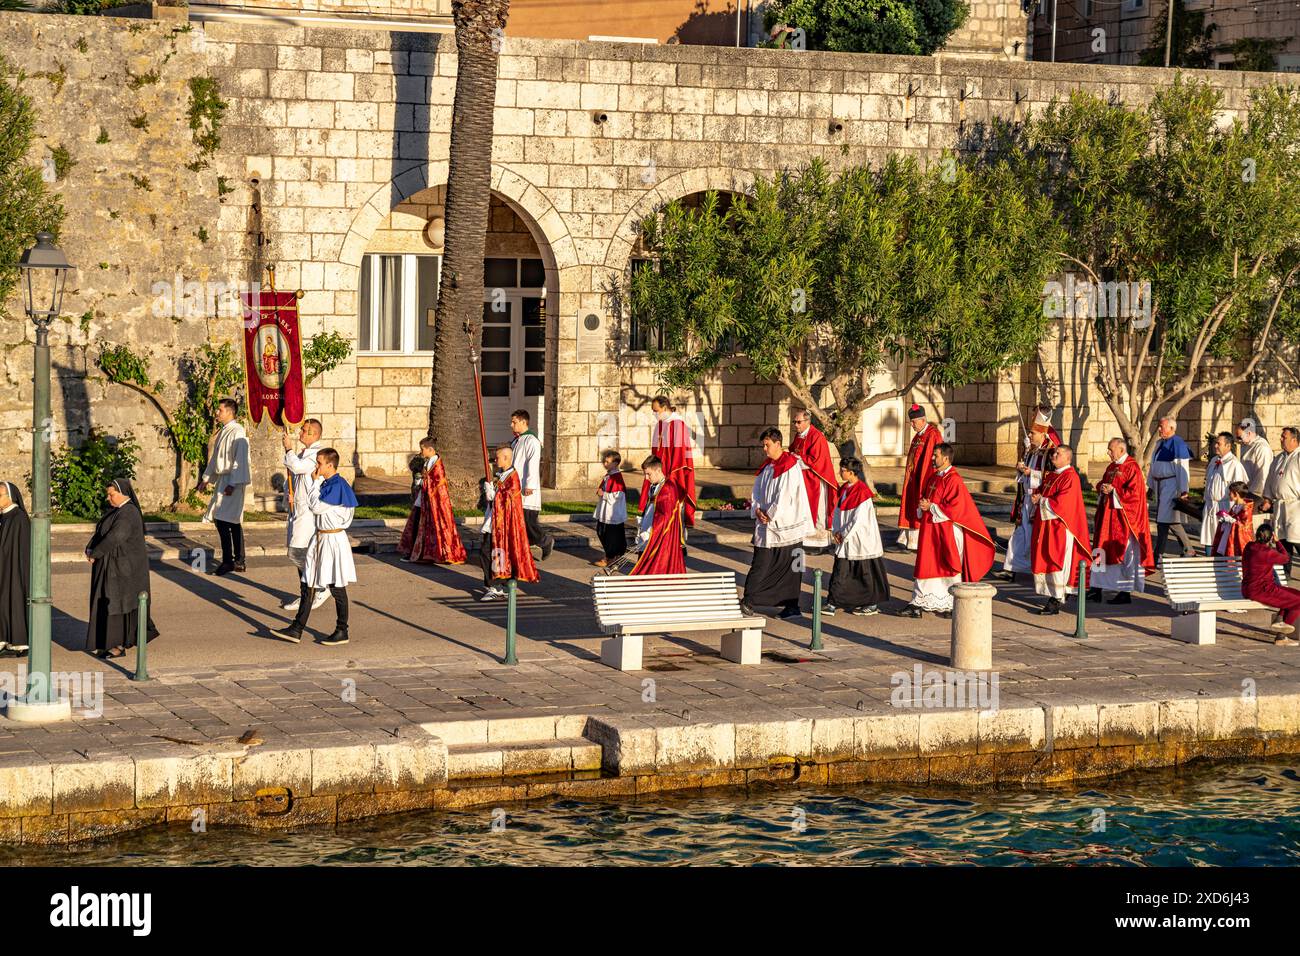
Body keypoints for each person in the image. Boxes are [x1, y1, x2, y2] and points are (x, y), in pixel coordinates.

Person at [272, 448, 356, 645]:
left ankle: (342, 630)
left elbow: (315, 506)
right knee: (307, 583)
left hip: (332, 541)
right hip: (320, 539)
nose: (316, 466)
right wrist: (316, 482)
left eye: (319, 463)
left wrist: (315, 481)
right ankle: (297, 628)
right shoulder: (329, 483)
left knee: (337, 587)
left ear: (330, 465)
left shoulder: (337, 486)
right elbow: (315, 503)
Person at [903, 443, 995, 618]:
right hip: (931, 528)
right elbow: (927, 497)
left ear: (945, 458)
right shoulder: (934, 477)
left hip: (947, 530)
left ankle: (950, 604)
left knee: (948, 565)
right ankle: (918, 603)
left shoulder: (954, 479)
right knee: (926, 563)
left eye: (935, 455)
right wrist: (923, 506)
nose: (932, 458)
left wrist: (931, 507)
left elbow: (957, 507)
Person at [743, 427, 813, 618]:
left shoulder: (790, 466)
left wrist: (770, 514)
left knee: (793, 568)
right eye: (763, 445)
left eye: (767, 445)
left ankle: (792, 605)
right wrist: (757, 509)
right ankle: (749, 600)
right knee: (760, 563)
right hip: (766, 525)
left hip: (787, 526)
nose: (764, 449)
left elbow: (785, 495)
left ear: (777, 443)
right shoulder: (767, 467)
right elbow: (756, 491)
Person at [85, 478, 158, 658]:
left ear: (123, 493)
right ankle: (107, 642)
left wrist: (96, 553)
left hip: (123, 570)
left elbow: (116, 536)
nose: (108, 498)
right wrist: (90, 547)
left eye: (111, 494)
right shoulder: (116, 511)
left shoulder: (129, 512)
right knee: (109, 604)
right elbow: (101, 532)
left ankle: (117, 646)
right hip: (112, 566)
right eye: (108, 494)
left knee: (117, 606)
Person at [1088, 438, 1154, 604]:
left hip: (1124, 521)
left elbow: (1136, 495)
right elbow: (1104, 484)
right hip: (1106, 517)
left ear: (1122, 450)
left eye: (1111, 449)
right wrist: (1102, 488)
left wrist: (1114, 491)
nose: (1108, 452)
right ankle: (1096, 588)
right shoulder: (1112, 467)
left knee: (1124, 554)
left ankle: (1124, 592)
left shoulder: (1132, 468)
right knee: (1100, 549)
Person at [997, 406, 1060, 581]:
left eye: (1033, 433)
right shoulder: (1032, 449)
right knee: (1019, 534)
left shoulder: (1051, 452)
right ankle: (1010, 569)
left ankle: (1037, 569)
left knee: (1035, 536)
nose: (1030, 436)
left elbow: (1052, 478)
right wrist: (1022, 468)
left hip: (1039, 500)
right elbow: (1026, 471)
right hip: (1026, 498)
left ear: (1042, 434)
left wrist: (1030, 473)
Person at [1031, 445, 1092, 615]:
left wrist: (1042, 501)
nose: (1054, 455)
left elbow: (1064, 504)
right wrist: (1037, 496)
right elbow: (1043, 492)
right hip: (1047, 524)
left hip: (1060, 526)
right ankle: (1055, 594)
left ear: (1067, 458)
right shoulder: (1052, 475)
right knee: (1047, 558)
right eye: (1054, 452)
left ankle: (1056, 598)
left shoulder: (1070, 477)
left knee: (1056, 559)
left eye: (1058, 453)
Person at [823, 457, 889, 617]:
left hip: (861, 541)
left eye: (843, 470)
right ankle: (832, 603)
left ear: (852, 473)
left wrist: (843, 534)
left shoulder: (862, 492)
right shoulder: (845, 489)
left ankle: (870, 604)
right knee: (840, 571)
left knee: (865, 574)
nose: (840, 472)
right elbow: (838, 512)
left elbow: (858, 521)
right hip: (845, 539)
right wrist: (836, 531)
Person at [478, 445, 539, 601]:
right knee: (494, 553)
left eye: (497, 457)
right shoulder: (504, 475)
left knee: (489, 552)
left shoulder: (512, 478)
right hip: (496, 521)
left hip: (502, 525)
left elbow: (508, 501)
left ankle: (496, 586)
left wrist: (493, 495)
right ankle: (500, 585)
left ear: (506, 458)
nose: (495, 459)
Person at [281, 418, 328, 613]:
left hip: (308, 513)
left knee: (297, 553)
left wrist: (288, 449)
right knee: (303, 554)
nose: (300, 432)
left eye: (305, 430)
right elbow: (297, 478)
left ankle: (319, 587)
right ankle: (306, 594)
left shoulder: (316, 454)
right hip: (297, 509)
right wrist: (289, 493)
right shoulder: (305, 453)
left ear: (314, 435)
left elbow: (298, 468)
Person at [198, 398, 250, 575]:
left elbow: (240, 459)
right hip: (224, 479)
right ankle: (237, 560)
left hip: (232, 480)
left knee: (226, 519)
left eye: (220, 410)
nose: (217, 413)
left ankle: (231, 560)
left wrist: (233, 483)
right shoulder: (224, 431)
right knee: (228, 520)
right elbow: (215, 458)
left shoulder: (238, 431)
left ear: (229, 412)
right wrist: (206, 478)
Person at [398, 437, 467, 566]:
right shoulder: (428, 462)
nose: (421, 452)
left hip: (433, 503)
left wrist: (424, 483)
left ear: (430, 449)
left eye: (422, 449)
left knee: (423, 526)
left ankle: (430, 553)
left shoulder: (437, 465)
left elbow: (438, 485)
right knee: (416, 524)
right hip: (424, 499)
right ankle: (416, 551)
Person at [639, 396, 697, 527]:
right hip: (657, 474)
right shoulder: (660, 424)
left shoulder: (677, 425)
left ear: (665, 408)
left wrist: (669, 478)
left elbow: (679, 456)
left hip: (670, 477)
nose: (654, 414)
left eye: (656, 410)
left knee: (671, 518)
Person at [1241, 523, 1300, 646]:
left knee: (1293, 595)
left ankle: (1280, 632)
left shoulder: (1249, 546)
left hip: (1249, 588)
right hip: (1262, 590)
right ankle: (1283, 630)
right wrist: (1278, 542)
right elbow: (1285, 558)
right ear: (1271, 537)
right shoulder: (1267, 552)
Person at [1148, 417, 1197, 565]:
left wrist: (1183, 490)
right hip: (1160, 485)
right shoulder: (1159, 443)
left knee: (1163, 521)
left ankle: (1158, 556)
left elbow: (1183, 469)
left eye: (1162, 426)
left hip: (1171, 486)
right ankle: (1189, 549)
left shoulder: (1178, 444)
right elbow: (1153, 466)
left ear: (1171, 428)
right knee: (1171, 520)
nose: (1159, 429)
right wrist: (1150, 486)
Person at [629, 455, 689, 575]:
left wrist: (651, 531)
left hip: (660, 537)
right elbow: (652, 509)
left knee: (654, 569)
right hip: (649, 531)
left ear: (658, 470)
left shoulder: (668, 488)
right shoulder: (656, 485)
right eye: (645, 474)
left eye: (648, 474)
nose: (646, 478)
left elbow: (666, 517)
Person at [509, 409, 554, 560]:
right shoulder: (517, 440)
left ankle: (545, 540)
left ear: (523, 422)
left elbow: (533, 464)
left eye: (514, 422)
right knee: (519, 523)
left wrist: (529, 485)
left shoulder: (531, 441)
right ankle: (522, 552)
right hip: (515, 487)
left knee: (528, 523)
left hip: (526, 490)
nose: (511, 425)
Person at [895, 403, 941, 552]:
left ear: (923, 420)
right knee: (909, 504)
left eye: (914, 422)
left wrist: (926, 480)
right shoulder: (918, 436)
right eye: (911, 422)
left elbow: (932, 459)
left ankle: (915, 542)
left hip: (924, 478)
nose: (912, 425)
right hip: (913, 478)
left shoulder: (932, 434)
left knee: (918, 508)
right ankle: (906, 538)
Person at [789, 408, 837, 547]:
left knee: (818, 510)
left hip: (815, 478)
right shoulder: (799, 435)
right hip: (803, 478)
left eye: (798, 422)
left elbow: (816, 460)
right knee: (804, 507)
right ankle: (807, 538)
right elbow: (793, 450)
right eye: (794, 422)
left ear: (807, 421)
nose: (796, 425)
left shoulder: (816, 436)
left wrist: (797, 458)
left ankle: (820, 541)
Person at [1201, 432, 1248, 555]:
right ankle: (1208, 563)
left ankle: (1220, 568)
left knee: (1222, 540)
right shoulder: (1213, 461)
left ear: (1228, 446)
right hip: (1211, 505)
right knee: (1208, 537)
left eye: (1219, 443)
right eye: (1215, 443)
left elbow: (1239, 490)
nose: (1215, 446)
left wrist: (1233, 511)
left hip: (1224, 507)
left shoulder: (1234, 464)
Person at [1262, 426, 1300, 579]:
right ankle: (1285, 575)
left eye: (1284, 437)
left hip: (1296, 507)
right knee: (1283, 543)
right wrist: (1267, 499)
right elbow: (1270, 480)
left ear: (1294, 440)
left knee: (1297, 540)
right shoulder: (1278, 458)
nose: (1281, 439)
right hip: (1280, 506)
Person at [0, 481, 30, 659]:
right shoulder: (4, 515)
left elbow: (21, 549)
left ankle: (19, 644)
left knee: (13, 602)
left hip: (14, 570)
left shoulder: (18, 517)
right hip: (4, 567)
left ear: (9, 496)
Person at [592, 450, 628, 568]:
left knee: (610, 535)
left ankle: (611, 557)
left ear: (616, 463)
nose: (605, 463)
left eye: (608, 462)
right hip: (605, 510)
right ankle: (611, 555)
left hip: (612, 513)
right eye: (604, 461)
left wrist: (604, 494)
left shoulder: (617, 477)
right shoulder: (609, 475)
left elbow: (618, 496)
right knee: (602, 531)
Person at [1213, 481, 1254, 558]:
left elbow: (1245, 527)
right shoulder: (1235, 506)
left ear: (1236, 494)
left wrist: (1232, 521)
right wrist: (1224, 521)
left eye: (1230, 493)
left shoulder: (1246, 508)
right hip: (1229, 536)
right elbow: (1232, 518)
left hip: (1238, 541)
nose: (1229, 495)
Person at [1236, 420, 1274, 499]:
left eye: (1240, 437)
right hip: (1243, 492)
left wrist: (1253, 494)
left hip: (1254, 494)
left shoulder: (1262, 448)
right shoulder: (1244, 445)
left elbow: (1263, 473)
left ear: (1249, 433)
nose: (1238, 440)